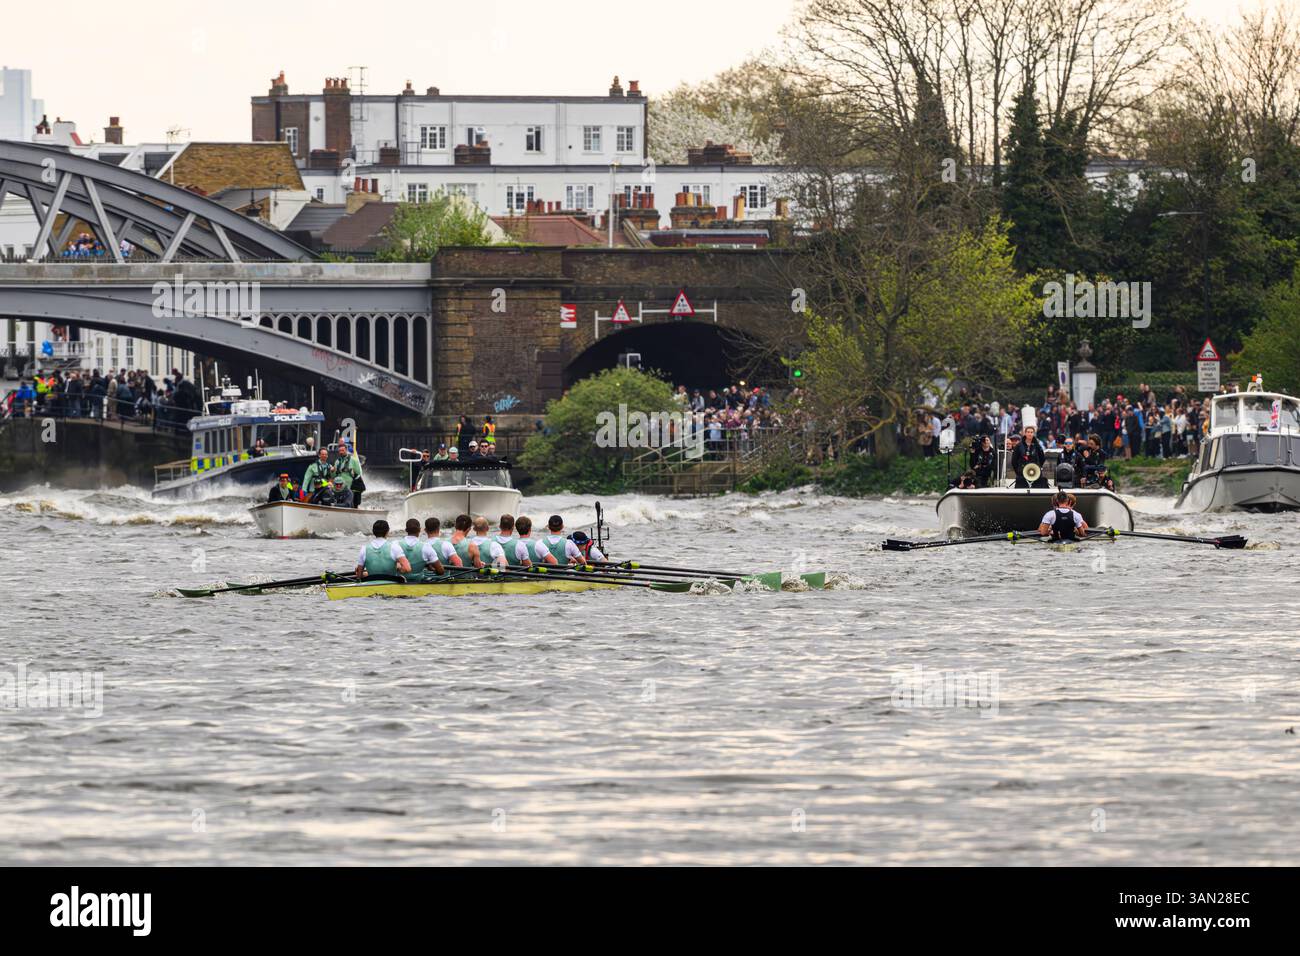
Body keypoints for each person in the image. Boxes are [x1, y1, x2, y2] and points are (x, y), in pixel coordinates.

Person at [396, 518, 446, 582]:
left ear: (406, 530)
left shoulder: (395, 544)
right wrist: (430, 568)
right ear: (419, 530)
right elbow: (440, 571)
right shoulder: (426, 547)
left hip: (399, 582)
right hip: (418, 583)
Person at [333, 440, 365, 508]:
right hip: (340, 486)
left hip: (350, 486)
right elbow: (334, 475)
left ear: (346, 450)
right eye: (340, 451)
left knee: (352, 503)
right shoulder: (337, 462)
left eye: (343, 450)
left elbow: (359, 473)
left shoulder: (353, 460)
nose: (341, 452)